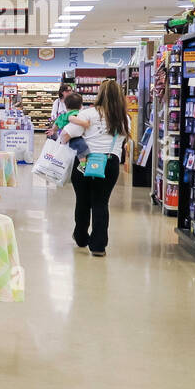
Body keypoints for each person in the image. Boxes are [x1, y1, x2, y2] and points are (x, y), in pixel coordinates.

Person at [67, 80, 130, 257]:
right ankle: (98, 246)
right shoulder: (124, 118)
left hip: (84, 162)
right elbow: (124, 140)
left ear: (99, 94)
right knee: (101, 202)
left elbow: (69, 133)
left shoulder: (87, 113)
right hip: (109, 163)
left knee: (82, 201)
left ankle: (80, 237)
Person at [54, 92, 88, 158]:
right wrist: (85, 123)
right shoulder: (75, 113)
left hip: (62, 138)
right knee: (83, 149)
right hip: (72, 139)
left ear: (66, 105)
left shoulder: (62, 116)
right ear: (81, 106)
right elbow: (71, 118)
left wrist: (53, 130)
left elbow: (55, 126)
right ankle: (83, 165)